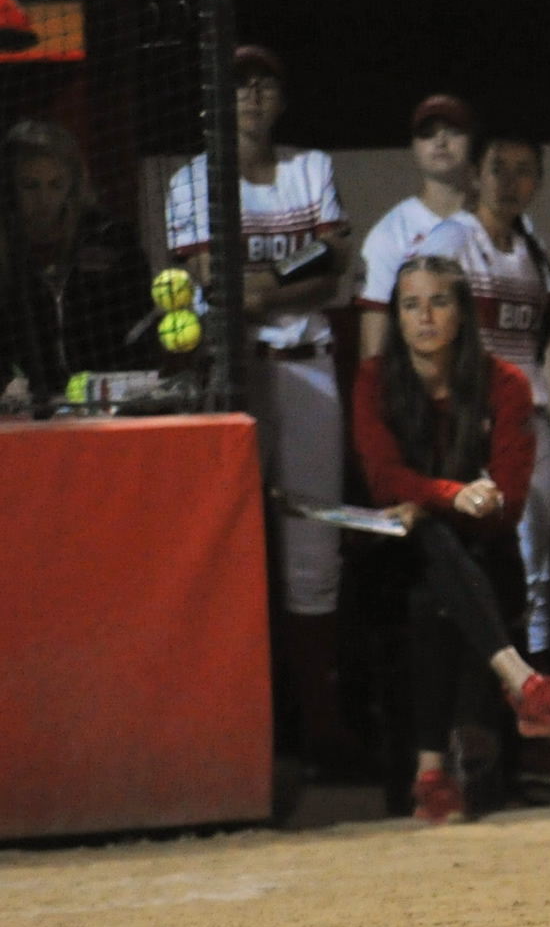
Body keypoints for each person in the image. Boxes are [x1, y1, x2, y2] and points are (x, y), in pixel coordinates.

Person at [352, 255, 550, 823]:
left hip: (482, 554)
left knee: (435, 571)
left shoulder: (505, 384)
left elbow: (510, 499)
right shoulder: (375, 380)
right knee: (428, 544)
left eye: (438, 302)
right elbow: (381, 480)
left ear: (463, 313)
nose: (424, 317)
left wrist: (441, 505)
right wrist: (452, 494)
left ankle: (431, 776)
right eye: (410, 305)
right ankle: (524, 685)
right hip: (394, 556)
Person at [165, 45, 358, 771]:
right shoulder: (193, 178)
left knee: (315, 549)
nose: (251, 94)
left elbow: (336, 259)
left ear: (279, 96)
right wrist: (295, 274)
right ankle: (243, 732)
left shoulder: (311, 167)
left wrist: (268, 286)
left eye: (263, 82)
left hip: (308, 369)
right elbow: (214, 277)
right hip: (237, 378)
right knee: (234, 550)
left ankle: (324, 728)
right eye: (239, 83)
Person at [416, 129, 550, 665]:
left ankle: (540, 693)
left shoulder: (533, 247)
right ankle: (483, 702)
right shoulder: (451, 241)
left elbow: (544, 338)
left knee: (538, 564)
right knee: (481, 558)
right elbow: (424, 330)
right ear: (475, 177)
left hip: (528, 423)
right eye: (498, 169)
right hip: (474, 423)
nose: (510, 182)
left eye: (524, 170)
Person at [0, 119, 153, 407]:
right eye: (30, 186)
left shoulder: (110, 239)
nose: (44, 199)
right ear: (9, 187)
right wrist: (6, 381)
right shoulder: (6, 249)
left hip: (104, 401)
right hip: (24, 407)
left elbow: (139, 325)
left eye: (55, 185)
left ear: (73, 185)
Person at [355, 94, 475, 360]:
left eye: (453, 131)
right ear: (414, 146)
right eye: (428, 134)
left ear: (472, 141)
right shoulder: (390, 232)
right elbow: (374, 344)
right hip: (423, 390)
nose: (441, 142)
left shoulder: (508, 223)